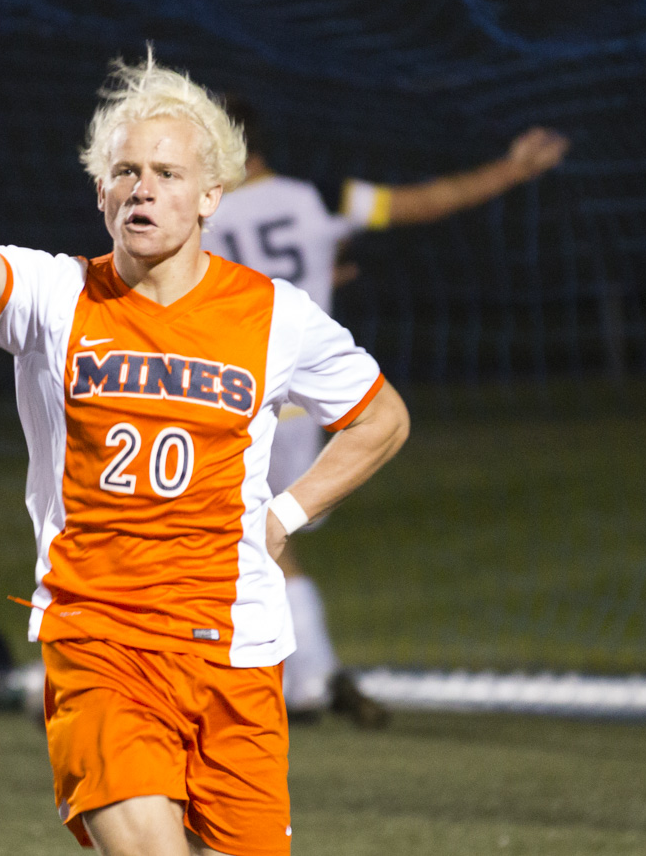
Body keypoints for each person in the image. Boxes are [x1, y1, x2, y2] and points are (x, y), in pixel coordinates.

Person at [0, 0, 408, 856]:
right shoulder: (54, 295)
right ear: (99, 191)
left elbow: (381, 418)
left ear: (211, 197)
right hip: (102, 645)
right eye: (125, 171)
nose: (143, 189)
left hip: (237, 650)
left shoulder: (274, 316)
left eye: (167, 173)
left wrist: (284, 516)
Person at [212, 101, 569, 724]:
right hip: (308, 409)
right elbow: (425, 202)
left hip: (237, 399)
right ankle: (298, 678)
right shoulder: (320, 196)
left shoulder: (201, 212)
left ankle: (309, 681)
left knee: (245, 540)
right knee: (257, 542)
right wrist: (512, 170)